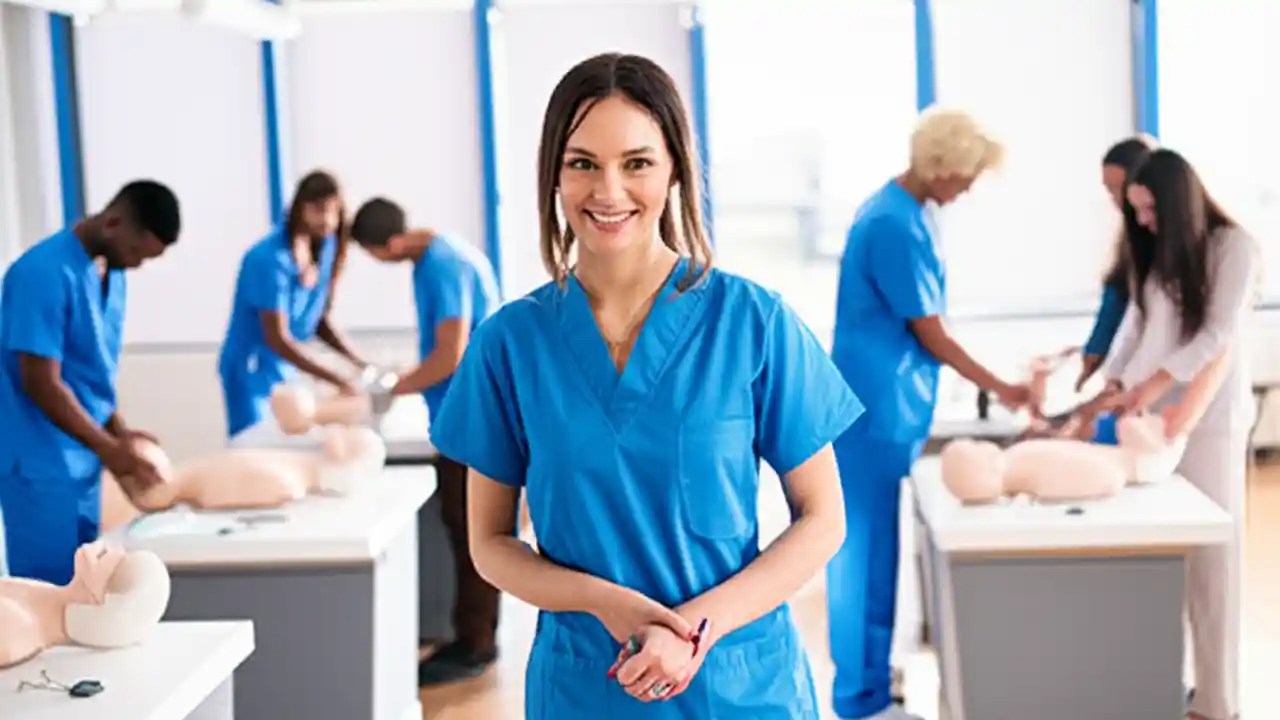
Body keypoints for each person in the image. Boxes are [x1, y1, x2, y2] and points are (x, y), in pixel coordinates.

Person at [429, 53, 862, 718]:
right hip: (587, 686)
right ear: (553, 173)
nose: (608, 190)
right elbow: (489, 544)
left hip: (740, 685)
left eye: (637, 162)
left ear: (674, 170)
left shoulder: (752, 321)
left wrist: (695, 630)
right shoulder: (510, 344)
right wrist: (605, 602)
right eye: (582, 163)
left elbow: (823, 517)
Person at [826, 107, 1031, 720]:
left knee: (876, 544)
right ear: (943, 165)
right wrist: (1007, 388)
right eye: (967, 175)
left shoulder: (906, 212)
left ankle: (872, 679)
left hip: (887, 402)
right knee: (864, 549)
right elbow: (931, 331)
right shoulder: (894, 223)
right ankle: (860, 700)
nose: (969, 188)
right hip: (874, 408)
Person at [1084, 148, 1257, 720]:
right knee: (1158, 562)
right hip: (1145, 425)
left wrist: (1154, 390)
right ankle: (1162, 690)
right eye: (1137, 212)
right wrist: (1111, 382)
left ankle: (1217, 703)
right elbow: (1137, 323)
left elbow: (1214, 337)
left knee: (1212, 568)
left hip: (1207, 425)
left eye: (1150, 208)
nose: (1144, 221)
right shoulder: (1155, 249)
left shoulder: (1234, 248)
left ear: (1180, 202)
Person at [348, 197, 503, 685]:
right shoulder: (436, 258)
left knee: (472, 530)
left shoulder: (441, 265)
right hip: (462, 416)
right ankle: (468, 635)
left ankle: (475, 643)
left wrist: (392, 389)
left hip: (474, 418)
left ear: (388, 245)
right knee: (460, 527)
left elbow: (449, 356)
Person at [0, 180, 181, 585]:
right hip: (38, 464)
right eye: (137, 252)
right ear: (113, 222)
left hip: (81, 462)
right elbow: (41, 382)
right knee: (49, 595)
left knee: (86, 589)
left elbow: (89, 376)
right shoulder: (41, 274)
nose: (136, 265)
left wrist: (121, 434)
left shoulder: (108, 274)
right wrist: (111, 450)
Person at [217, 170, 367, 439]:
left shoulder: (326, 247)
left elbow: (318, 320)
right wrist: (336, 379)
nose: (328, 220)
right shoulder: (268, 258)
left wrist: (359, 363)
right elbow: (277, 338)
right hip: (251, 371)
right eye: (319, 210)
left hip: (286, 369)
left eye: (335, 211)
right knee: (255, 445)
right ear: (300, 208)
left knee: (293, 439)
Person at [1074, 134, 1159, 392]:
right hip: (1127, 371)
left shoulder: (1160, 236)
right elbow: (1116, 297)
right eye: (1108, 189)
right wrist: (1093, 351)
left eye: (1118, 187)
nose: (1114, 198)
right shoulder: (1130, 237)